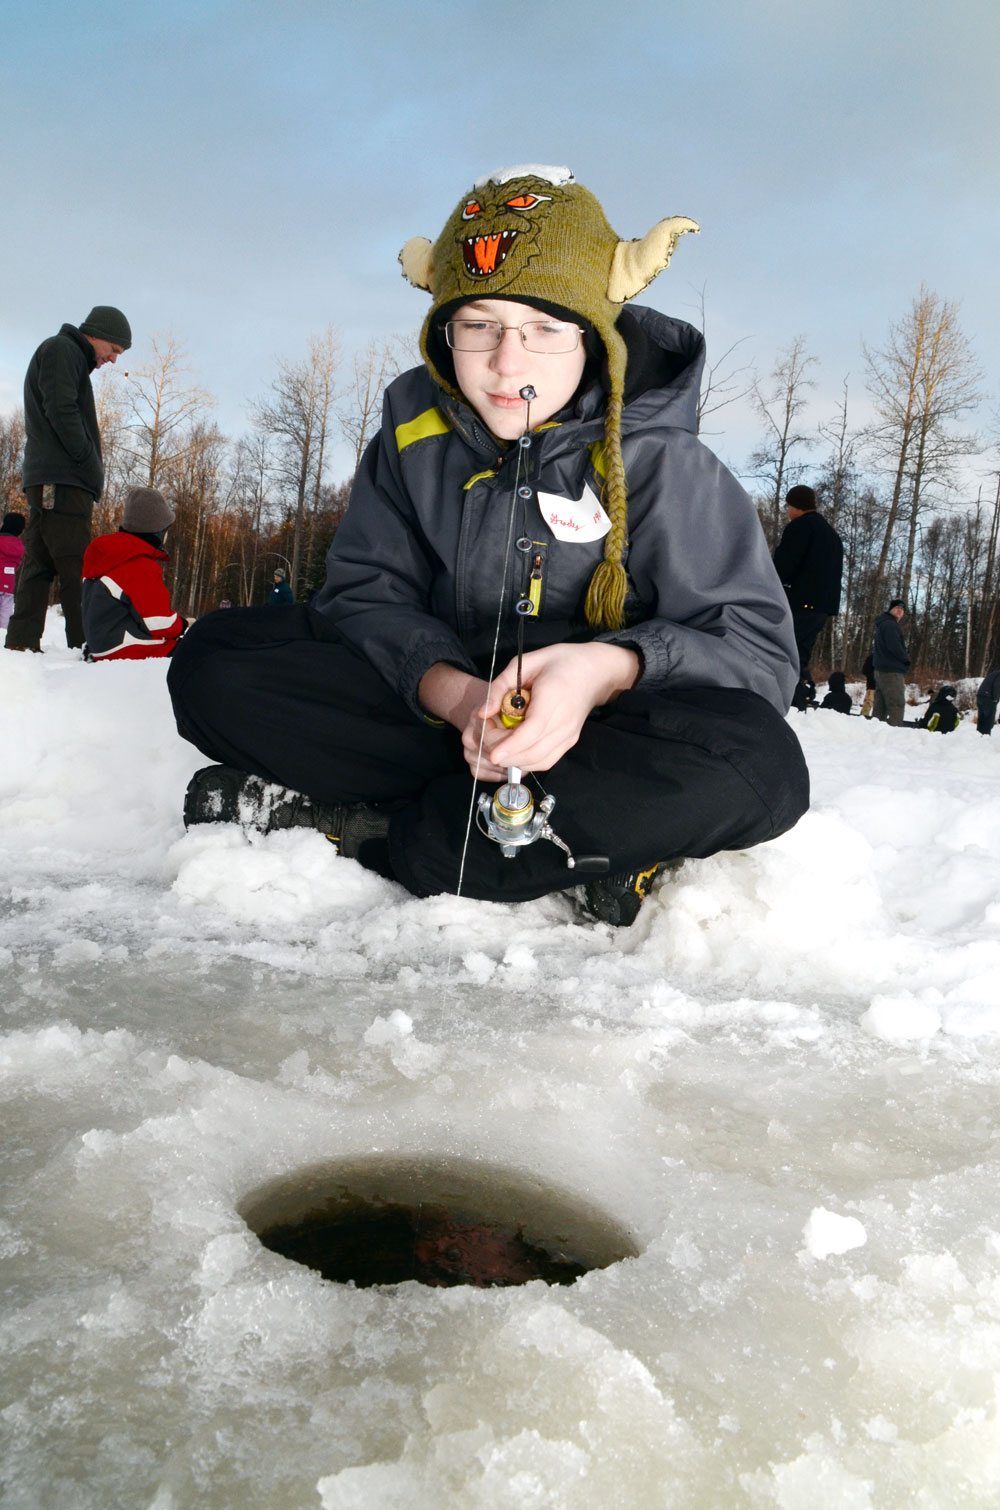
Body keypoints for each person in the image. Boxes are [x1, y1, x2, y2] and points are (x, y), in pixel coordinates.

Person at [169, 164, 809, 926]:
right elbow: (364, 594)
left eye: (544, 328)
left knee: (759, 769)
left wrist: (603, 671)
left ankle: (379, 834)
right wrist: (455, 695)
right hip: (441, 721)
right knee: (215, 662)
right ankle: (568, 846)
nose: (509, 362)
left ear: (593, 338)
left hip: (597, 738)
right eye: (480, 326)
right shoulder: (412, 432)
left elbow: (757, 654)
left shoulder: (670, 465)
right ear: (446, 332)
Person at [4, 306, 131, 653]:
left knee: (39, 563)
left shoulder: (65, 354)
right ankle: (88, 646)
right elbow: (61, 409)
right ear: (97, 333)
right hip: (63, 480)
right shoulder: (63, 350)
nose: (113, 360)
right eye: (115, 350)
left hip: (50, 479)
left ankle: (21, 645)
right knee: (78, 565)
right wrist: (87, 460)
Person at [81, 486, 187, 660]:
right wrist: (182, 624)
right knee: (193, 650)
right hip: (126, 648)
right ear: (159, 531)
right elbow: (158, 621)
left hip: (103, 644)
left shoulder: (111, 556)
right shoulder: (139, 565)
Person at [772, 484, 843, 712]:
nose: (787, 511)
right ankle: (799, 698)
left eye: (787, 506)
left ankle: (790, 699)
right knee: (801, 652)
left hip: (801, 602)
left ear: (795, 506)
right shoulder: (831, 534)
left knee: (785, 650)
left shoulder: (800, 527)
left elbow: (784, 564)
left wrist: (772, 582)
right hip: (822, 607)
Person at [871, 599, 910, 726]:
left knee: (880, 704)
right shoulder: (890, 624)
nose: (900, 610)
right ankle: (895, 732)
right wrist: (905, 660)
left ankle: (875, 730)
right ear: (890, 609)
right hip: (892, 670)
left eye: (902, 609)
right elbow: (894, 646)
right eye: (897, 608)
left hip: (881, 669)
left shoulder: (883, 623)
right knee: (896, 703)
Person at [0, 512, 26, 633]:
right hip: (9, 584)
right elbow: (17, 564)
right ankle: (4, 632)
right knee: (6, 610)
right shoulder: (19, 545)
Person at [976, 669, 1000, 735]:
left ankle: (978, 736)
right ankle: (985, 738)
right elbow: (997, 686)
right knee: (989, 720)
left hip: (980, 696)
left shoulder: (995, 673)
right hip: (989, 698)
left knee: (982, 719)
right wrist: (996, 698)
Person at [859, 653, 876, 718]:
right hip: (873, 686)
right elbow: (865, 670)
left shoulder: (872, 657)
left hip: (873, 685)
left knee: (868, 703)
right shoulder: (873, 657)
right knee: (868, 703)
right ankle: (863, 718)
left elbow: (864, 670)